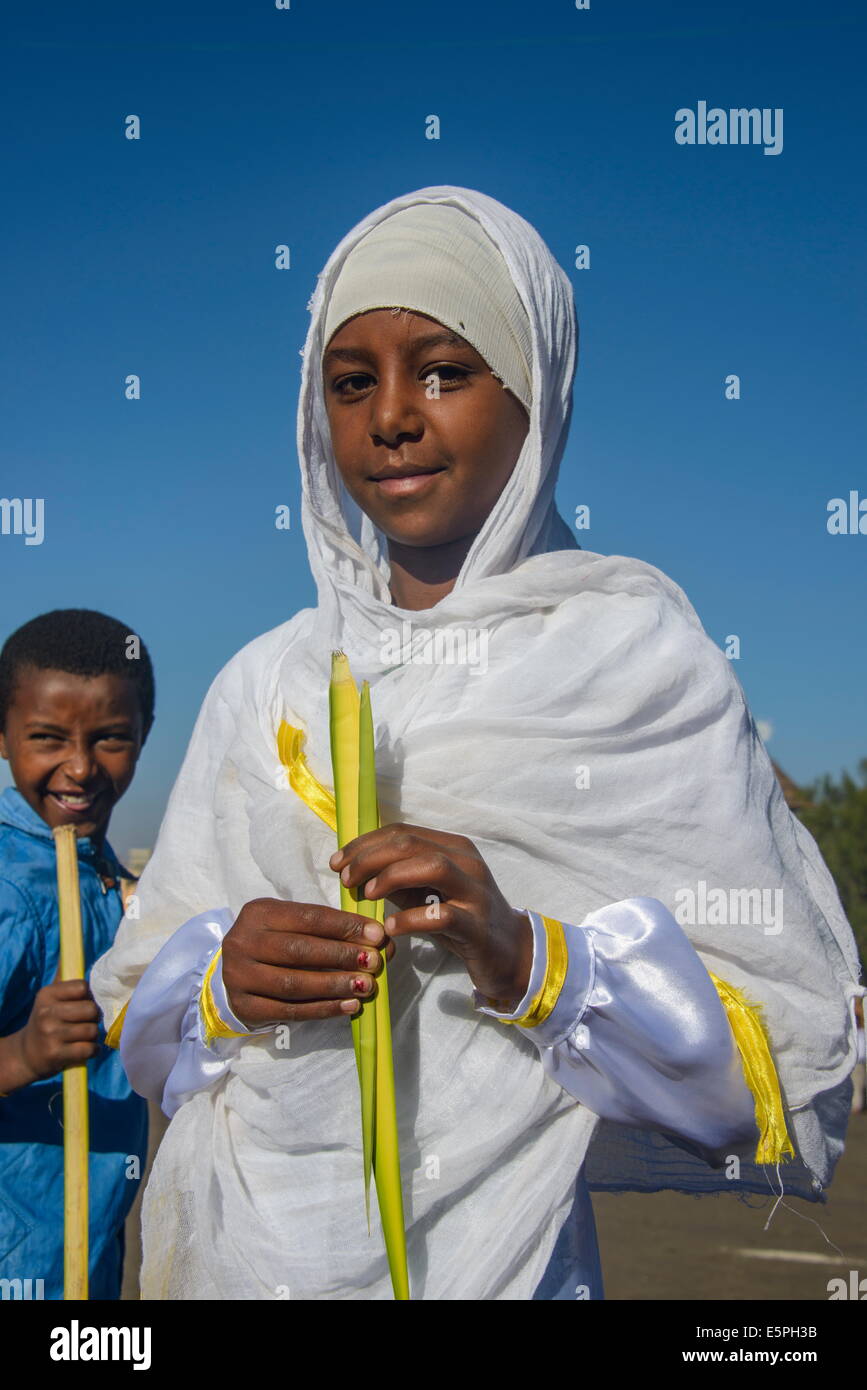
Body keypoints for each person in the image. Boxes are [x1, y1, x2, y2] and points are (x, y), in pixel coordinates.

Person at [91, 186, 864, 1301]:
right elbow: (139, 1028)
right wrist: (222, 978)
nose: (391, 416)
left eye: (445, 369)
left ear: (537, 393)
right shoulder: (267, 682)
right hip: (246, 1259)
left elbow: (778, 1073)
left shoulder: (636, 663)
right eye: (351, 382)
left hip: (511, 1268)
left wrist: (532, 959)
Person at [0, 610, 151, 1299]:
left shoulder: (112, 882)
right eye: (47, 739)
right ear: (3, 739)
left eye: (111, 738)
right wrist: (22, 1055)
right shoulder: (8, 887)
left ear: (144, 737)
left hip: (88, 1268)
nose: (82, 766)